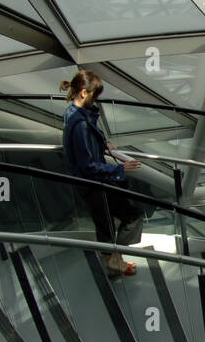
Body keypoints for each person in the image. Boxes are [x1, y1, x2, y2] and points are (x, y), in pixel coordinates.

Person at [60, 69, 144, 277]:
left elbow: (84, 149)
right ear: (83, 93)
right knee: (131, 214)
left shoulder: (73, 113)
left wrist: (102, 142)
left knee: (105, 221)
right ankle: (115, 256)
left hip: (88, 182)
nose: (95, 99)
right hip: (94, 181)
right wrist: (119, 168)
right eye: (94, 95)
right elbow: (88, 165)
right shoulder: (80, 124)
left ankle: (114, 260)